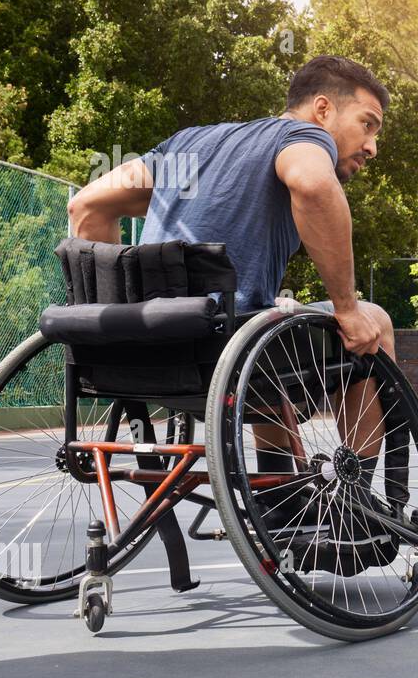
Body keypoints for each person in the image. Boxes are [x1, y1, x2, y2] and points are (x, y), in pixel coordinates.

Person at [67, 55, 395, 548]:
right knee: (373, 322)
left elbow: (86, 205)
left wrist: (119, 310)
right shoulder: (304, 139)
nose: (371, 147)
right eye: (366, 125)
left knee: (264, 326)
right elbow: (311, 183)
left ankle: (283, 495)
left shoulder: (190, 144)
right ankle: (356, 500)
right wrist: (346, 308)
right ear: (323, 109)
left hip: (138, 350)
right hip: (225, 349)